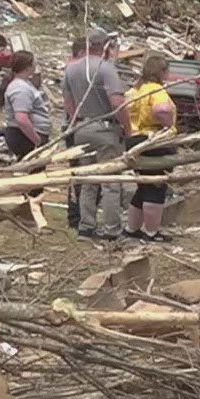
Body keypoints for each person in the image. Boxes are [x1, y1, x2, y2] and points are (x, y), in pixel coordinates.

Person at [61, 28, 133, 241]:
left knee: (88, 179)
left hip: (82, 126)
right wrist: (128, 128)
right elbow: (117, 101)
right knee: (110, 181)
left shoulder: (71, 69)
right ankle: (112, 228)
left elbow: (68, 103)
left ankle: (86, 225)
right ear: (105, 46)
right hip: (104, 128)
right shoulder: (106, 68)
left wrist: (77, 121)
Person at [124, 55, 178, 242]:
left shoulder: (135, 90)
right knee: (156, 185)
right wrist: (168, 126)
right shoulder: (156, 90)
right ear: (162, 72)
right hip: (153, 140)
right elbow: (162, 109)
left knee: (143, 185)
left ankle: (132, 228)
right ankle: (152, 232)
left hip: (134, 139)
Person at [0, 51, 49, 161]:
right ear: (27, 67)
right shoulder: (20, 89)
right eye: (34, 63)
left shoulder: (24, 83)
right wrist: (37, 140)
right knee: (32, 168)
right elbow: (21, 119)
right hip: (25, 137)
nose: (36, 66)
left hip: (26, 135)